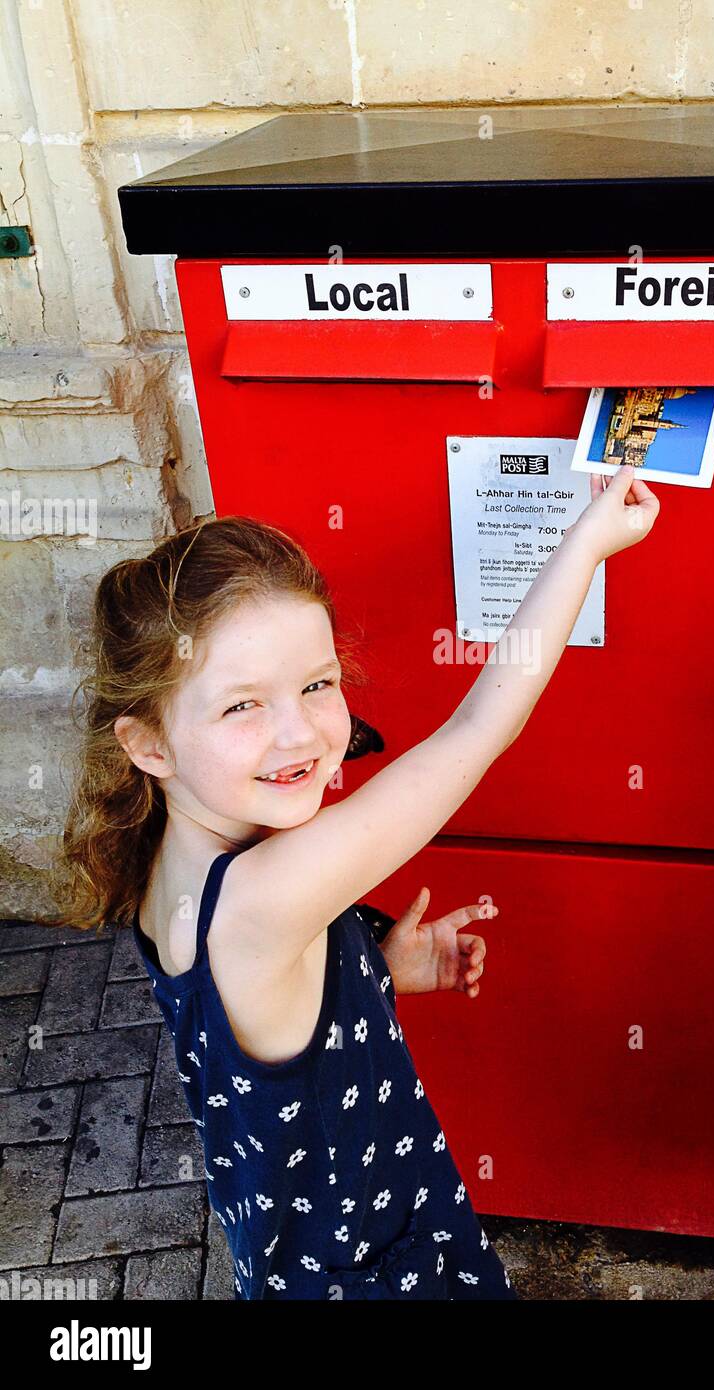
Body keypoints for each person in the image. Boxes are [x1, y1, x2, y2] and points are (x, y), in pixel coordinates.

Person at [51, 462, 659, 1299]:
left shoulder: (173, 859)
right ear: (149, 744)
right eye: (242, 706)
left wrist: (372, 970)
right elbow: (481, 728)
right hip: (381, 1271)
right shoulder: (264, 897)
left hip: (304, 1260)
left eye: (317, 684)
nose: (299, 732)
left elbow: (263, 1026)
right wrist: (586, 546)